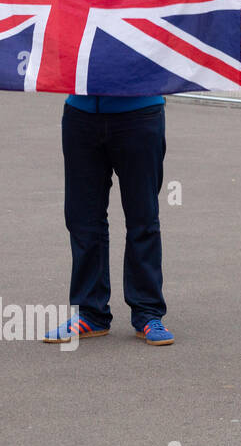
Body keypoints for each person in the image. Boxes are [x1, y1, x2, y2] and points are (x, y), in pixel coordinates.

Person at [43, 95, 173, 347]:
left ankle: (148, 312)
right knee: (82, 219)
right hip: (80, 114)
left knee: (142, 218)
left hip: (140, 113)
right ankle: (90, 313)